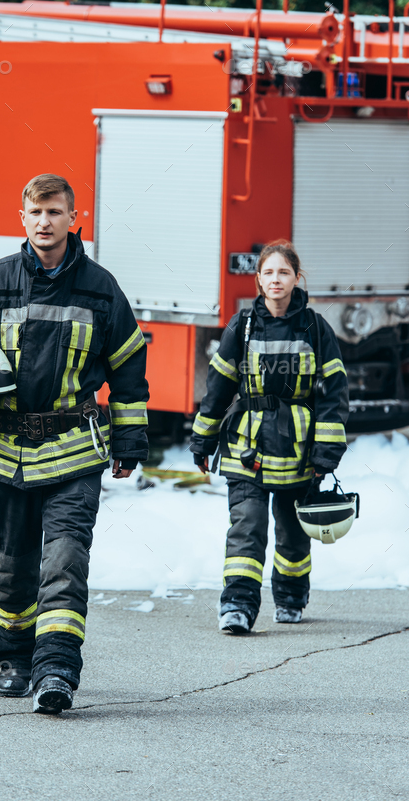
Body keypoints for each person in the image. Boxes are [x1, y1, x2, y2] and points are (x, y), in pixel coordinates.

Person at [0, 173, 149, 713]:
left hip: (73, 450)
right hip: (3, 450)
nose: (45, 222)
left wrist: (130, 441)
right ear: (23, 217)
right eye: (36, 213)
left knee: (65, 559)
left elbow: (130, 368)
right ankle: (15, 657)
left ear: (73, 218)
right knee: (12, 567)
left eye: (55, 212)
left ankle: (57, 669)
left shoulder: (101, 288)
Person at [190, 241, 348, 633]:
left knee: (293, 534)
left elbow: (334, 393)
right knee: (247, 525)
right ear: (258, 279)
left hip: (297, 452)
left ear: (297, 278)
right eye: (268, 272)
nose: (276, 279)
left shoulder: (315, 327)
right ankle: (237, 606)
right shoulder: (241, 327)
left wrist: (326, 453)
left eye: (283, 272)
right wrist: (202, 439)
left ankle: (291, 596)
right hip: (247, 448)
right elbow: (218, 389)